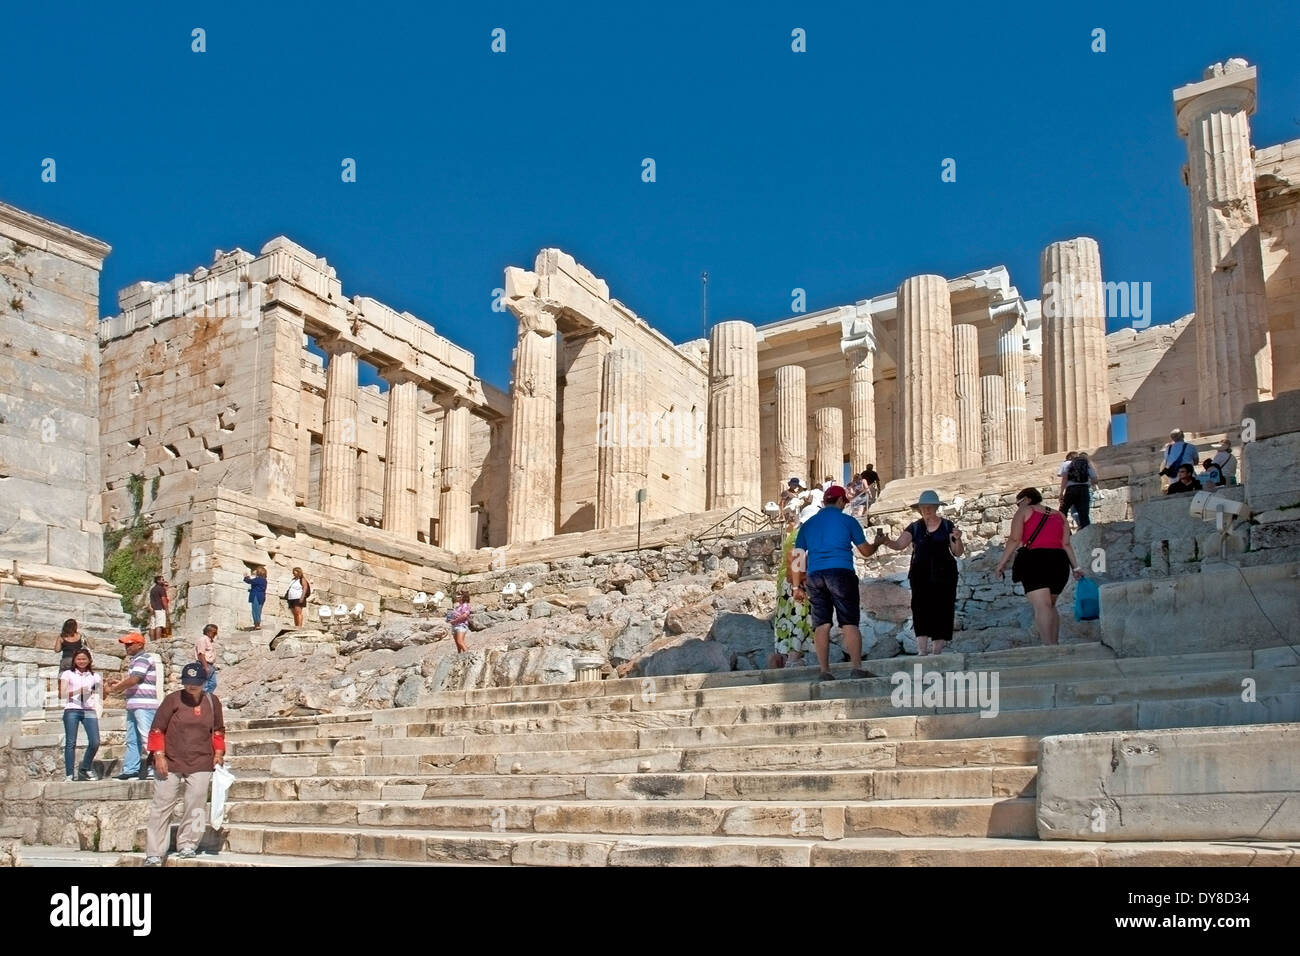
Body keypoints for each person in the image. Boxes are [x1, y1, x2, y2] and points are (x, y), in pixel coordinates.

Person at [143, 662, 226, 866]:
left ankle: (188, 843)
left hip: (201, 759)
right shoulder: (173, 700)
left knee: (196, 804)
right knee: (162, 805)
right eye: (188, 682)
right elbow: (156, 730)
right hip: (170, 759)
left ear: (204, 682)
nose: (192, 686)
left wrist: (219, 751)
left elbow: (218, 730)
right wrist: (159, 756)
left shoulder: (212, 701)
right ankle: (154, 852)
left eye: (196, 683)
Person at [790, 485, 874, 681]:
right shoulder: (848, 520)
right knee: (849, 622)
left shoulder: (808, 525)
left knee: (822, 624)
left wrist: (796, 587)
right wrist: (878, 542)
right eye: (844, 502)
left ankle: (825, 672)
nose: (844, 505)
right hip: (841, 572)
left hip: (815, 575)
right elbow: (865, 551)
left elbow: (798, 557)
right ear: (839, 501)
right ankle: (856, 668)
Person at [872, 490, 965, 656]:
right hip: (920, 573)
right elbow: (900, 544)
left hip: (944, 573)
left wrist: (958, 539)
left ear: (936, 508)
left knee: (943, 608)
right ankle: (921, 650)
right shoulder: (914, 527)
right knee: (920, 608)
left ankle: (937, 650)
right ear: (920, 509)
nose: (927, 510)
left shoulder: (947, 526)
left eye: (930, 507)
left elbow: (957, 552)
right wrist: (885, 541)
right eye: (924, 507)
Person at [994, 488, 1086, 646]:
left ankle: (1048, 646)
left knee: (1041, 606)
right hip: (1059, 562)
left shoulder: (1025, 511)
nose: (1018, 506)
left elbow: (1015, 539)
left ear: (1027, 499)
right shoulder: (1060, 515)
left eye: (1019, 502)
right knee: (1050, 605)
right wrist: (1076, 568)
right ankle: (1055, 644)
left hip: (1034, 560)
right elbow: (1066, 543)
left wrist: (1001, 563)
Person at [106, 632, 160, 781]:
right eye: (126, 644)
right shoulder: (135, 660)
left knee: (146, 738)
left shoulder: (143, 659)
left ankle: (153, 767)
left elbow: (135, 679)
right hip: (134, 704)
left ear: (140, 645)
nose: (126, 647)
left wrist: (116, 688)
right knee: (132, 739)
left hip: (144, 705)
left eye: (130, 644)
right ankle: (131, 770)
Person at [770, 506, 815, 669]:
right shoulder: (801, 535)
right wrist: (798, 585)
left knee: (785, 618)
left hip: (785, 582)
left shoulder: (794, 534)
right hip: (794, 581)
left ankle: (785, 657)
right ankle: (793, 659)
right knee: (799, 616)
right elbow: (797, 559)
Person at [59, 648, 101, 781]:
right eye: (79, 659)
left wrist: (108, 688)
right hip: (72, 709)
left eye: (84, 659)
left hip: (89, 709)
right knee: (71, 742)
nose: (81, 661)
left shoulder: (95, 676)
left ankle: (85, 767)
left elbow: (101, 694)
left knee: (95, 741)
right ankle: (69, 774)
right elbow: (62, 694)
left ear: (89, 660)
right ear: (74, 660)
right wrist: (78, 690)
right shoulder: (67, 674)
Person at [1058, 451, 1098, 529]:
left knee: (1063, 511)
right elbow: (1095, 479)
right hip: (1084, 489)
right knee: (1084, 514)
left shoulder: (1066, 463)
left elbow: (1065, 478)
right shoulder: (1086, 463)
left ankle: (1065, 531)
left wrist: (1061, 493)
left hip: (1071, 490)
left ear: (1068, 457)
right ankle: (1086, 534)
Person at [194, 623, 219, 694]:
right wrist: (205, 666)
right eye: (214, 632)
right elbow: (201, 654)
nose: (215, 634)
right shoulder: (203, 640)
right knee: (204, 685)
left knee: (213, 684)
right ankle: (201, 701)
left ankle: (206, 698)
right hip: (204, 664)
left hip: (210, 665)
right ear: (208, 632)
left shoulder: (209, 641)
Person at [147, 576, 170, 641]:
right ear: (158, 581)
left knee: (152, 626)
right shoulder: (161, 589)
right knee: (159, 625)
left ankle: (152, 641)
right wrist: (167, 610)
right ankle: (158, 641)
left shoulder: (152, 589)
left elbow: (151, 600)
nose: (163, 581)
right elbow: (164, 600)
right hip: (160, 609)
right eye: (162, 580)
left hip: (153, 609)